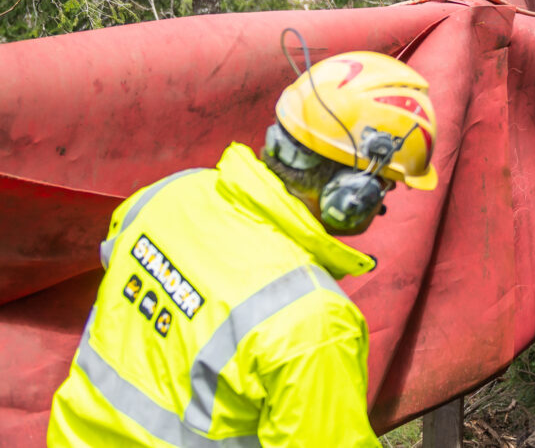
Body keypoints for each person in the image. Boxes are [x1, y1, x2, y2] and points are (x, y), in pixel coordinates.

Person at [48, 49, 439, 447]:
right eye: (385, 186)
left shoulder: (171, 194)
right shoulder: (313, 319)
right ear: (354, 193)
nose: (382, 205)